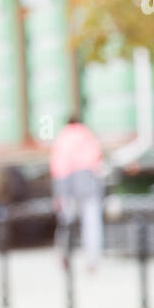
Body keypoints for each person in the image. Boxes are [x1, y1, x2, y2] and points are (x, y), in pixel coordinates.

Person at [50, 113, 105, 272]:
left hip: (67, 186)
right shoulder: (88, 135)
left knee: (65, 223)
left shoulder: (62, 138)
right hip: (88, 184)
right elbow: (98, 164)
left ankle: (63, 253)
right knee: (92, 223)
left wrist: (58, 193)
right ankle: (92, 260)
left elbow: (58, 167)